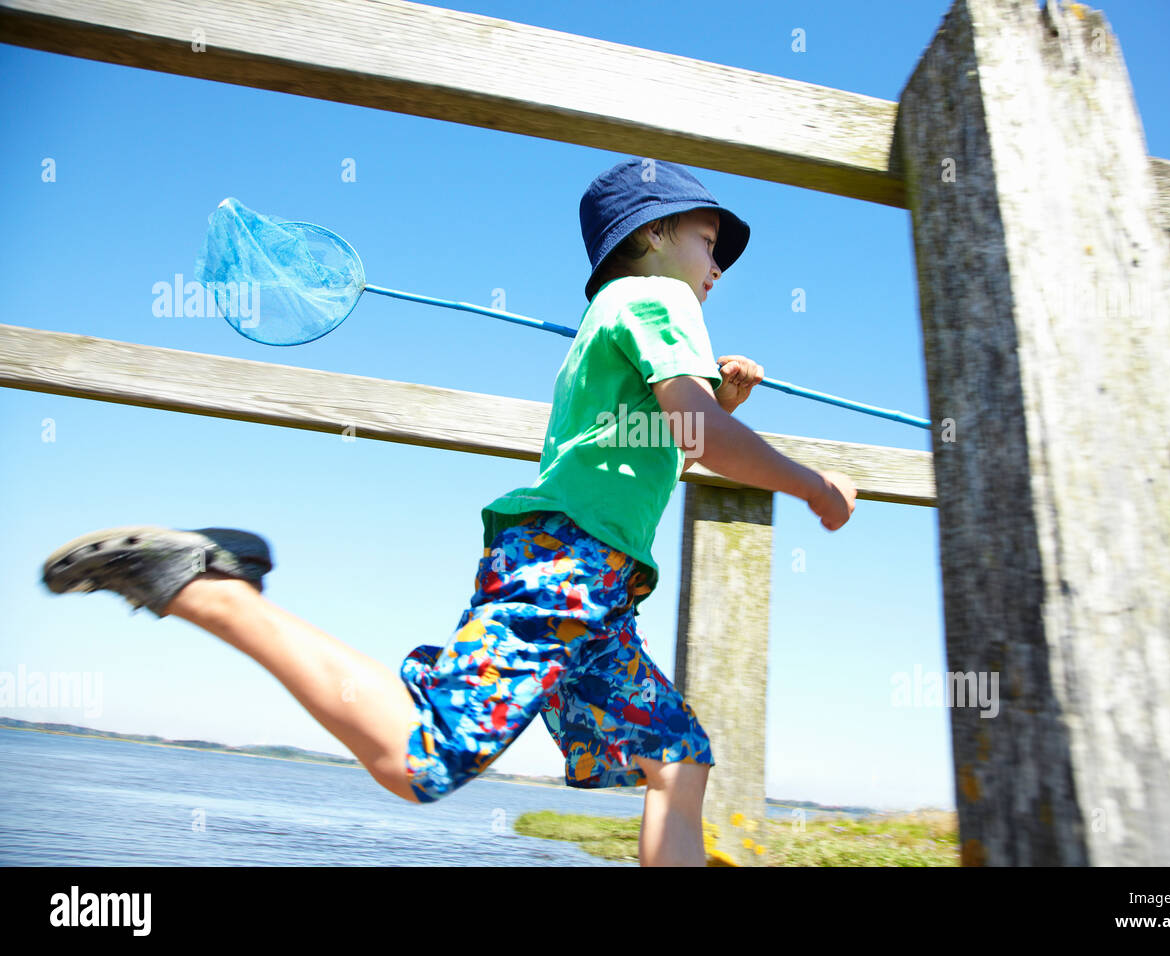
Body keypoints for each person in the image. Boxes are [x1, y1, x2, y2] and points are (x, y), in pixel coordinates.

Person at [40, 158, 857, 867]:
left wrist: (722, 398)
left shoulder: (614, 321)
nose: (718, 267)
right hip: (569, 570)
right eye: (709, 243)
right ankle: (207, 584)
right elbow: (696, 431)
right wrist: (812, 483)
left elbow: (665, 446)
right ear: (650, 236)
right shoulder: (661, 300)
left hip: (595, 589)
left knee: (677, 756)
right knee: (419, 756)